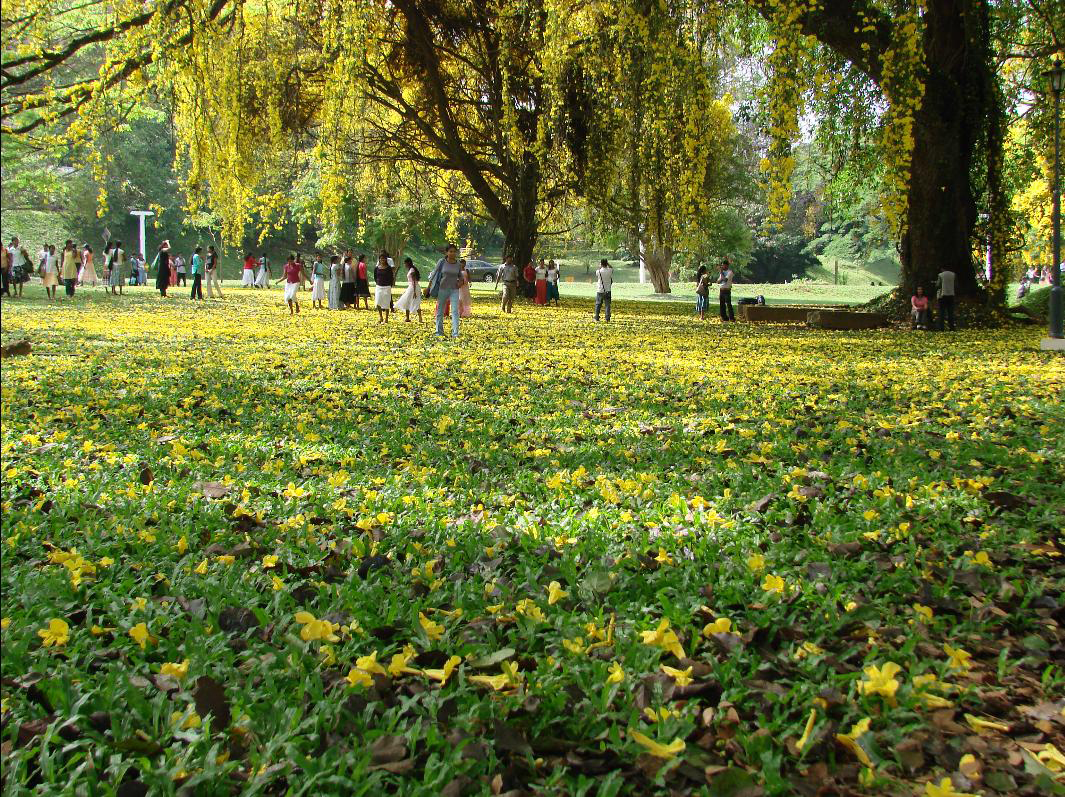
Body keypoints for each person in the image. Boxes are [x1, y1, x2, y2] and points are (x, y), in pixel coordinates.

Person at [434, 244, 465, 338]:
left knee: (455, 311)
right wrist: (429, 286)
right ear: (446, 252)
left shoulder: (458, 264)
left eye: (454, 251)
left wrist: (460, 282)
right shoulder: (442, 262)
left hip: (454, 290)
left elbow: (461, 276)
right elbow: (434, 273)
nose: (452, 253)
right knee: (440, 311)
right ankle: (439, 331)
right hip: (442, 289)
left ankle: (455, 333)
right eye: (450, 251)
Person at [395, 257, 423, 322]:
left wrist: (414, 292)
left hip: (413, 287)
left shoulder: (412, 270)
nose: (405, 265)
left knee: (413, 302)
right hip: (412, 287)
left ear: (408, 263)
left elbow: (414, 281)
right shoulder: (411, 269)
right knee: (408, 301)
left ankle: (419, 318)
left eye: (405, 263)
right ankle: (408, 318)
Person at [374, 252, 395, 323]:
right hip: (379, 287)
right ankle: (380, 317)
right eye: (381, 258)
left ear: (386, 259)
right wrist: (378, 283)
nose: (382, 260)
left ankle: (386, 318)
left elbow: (391, 277)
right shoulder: (377, 268)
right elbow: (375, 277)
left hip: (387, 287)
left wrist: (389, 285)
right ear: (379, 259)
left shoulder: (389, 268)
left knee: (386, 303)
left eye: (384, 259)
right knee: (378, 302)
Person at [936, 266, 956, 331]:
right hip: (951, 295)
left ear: (942, 268)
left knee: (942, 312)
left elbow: (938, 285)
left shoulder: (941, 275)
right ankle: (952, 327)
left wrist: (935, 284)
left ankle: (941, 328)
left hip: (943, 295)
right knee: (950, 312)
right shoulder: (953, 274)